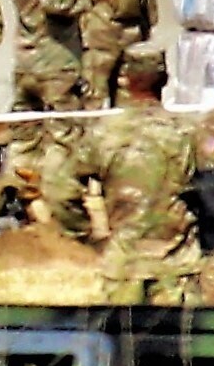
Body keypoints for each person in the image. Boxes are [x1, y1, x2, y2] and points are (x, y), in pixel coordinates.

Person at [5, 0, 91, 229]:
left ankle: (21, 213)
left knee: (24, 140)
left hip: (26, 57)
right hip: (56, 59)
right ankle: (68, 223)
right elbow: (56, 2)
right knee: (63, 141)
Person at [79, 45, 200, 289]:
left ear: (127, 79)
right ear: (165, 80)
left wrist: (84, 234)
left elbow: (60, 186)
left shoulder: (103, 132)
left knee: (118, 327)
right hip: (175, 264)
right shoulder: (187, 131)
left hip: (122, 264)